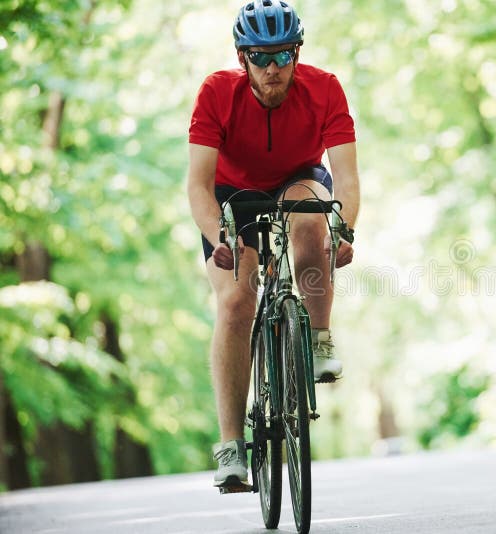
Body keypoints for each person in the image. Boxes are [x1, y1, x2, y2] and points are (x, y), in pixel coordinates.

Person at [186, 0, 359, 488]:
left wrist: (343, 230)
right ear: (242, 59)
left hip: (297, 178)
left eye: (283, 55)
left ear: (297, 53)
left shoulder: (324, 89)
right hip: (229, 195)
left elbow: (345, 180)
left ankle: (320, 339)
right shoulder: (216, 93)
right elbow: (198, 185)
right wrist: (216, 233)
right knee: (237, 300)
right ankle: (231, 448)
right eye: (260, 57)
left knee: (309, 217)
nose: (272, 69)